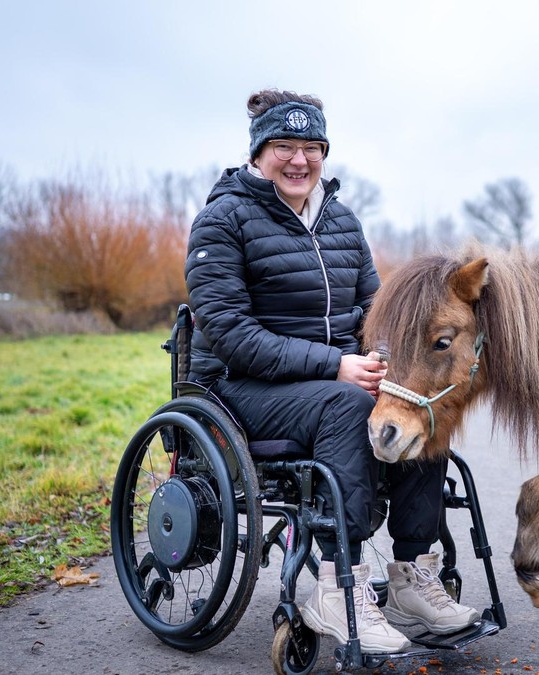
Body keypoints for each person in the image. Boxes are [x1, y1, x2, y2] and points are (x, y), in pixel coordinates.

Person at [183, 89, 479, 653]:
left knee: (416, 401)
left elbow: (377, 310)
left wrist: (393, 361)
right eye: (284, 147)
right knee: (347, 406)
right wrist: (335, 365)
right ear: (259, 151)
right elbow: (230, 334)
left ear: (324, 152)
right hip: (242, 390)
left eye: (311, 148)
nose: (299, 161)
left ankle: (414, 574)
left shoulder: (341, 222)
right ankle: (337, 589)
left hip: (331, 379)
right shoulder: (222, 221)